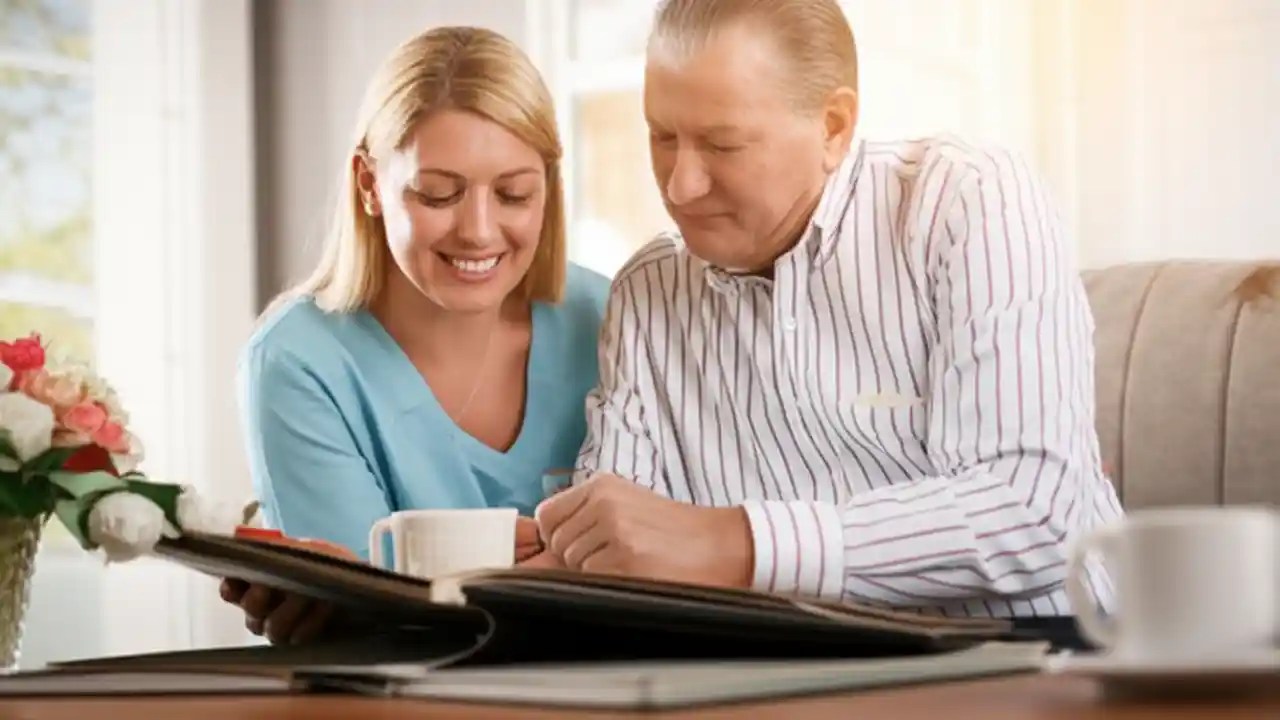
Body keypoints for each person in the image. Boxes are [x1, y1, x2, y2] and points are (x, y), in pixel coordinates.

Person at [532, 0, 1124, 634]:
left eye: (722, 144)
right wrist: (559, 552)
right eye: (661, 136)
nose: (680, 186)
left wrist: (736, 543)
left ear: (833, 128)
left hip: (1049, 652)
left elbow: (1032, 515)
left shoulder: (966, 202)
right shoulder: (648, 293)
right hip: (793, 674)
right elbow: (615, 550)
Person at [221, 25, 610, 645]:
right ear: (370, 185)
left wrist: (441, 574)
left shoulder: (611, 319)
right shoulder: (297, 360)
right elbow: (373, 618)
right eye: (438, 193)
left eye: (513, 194)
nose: (478, 232)